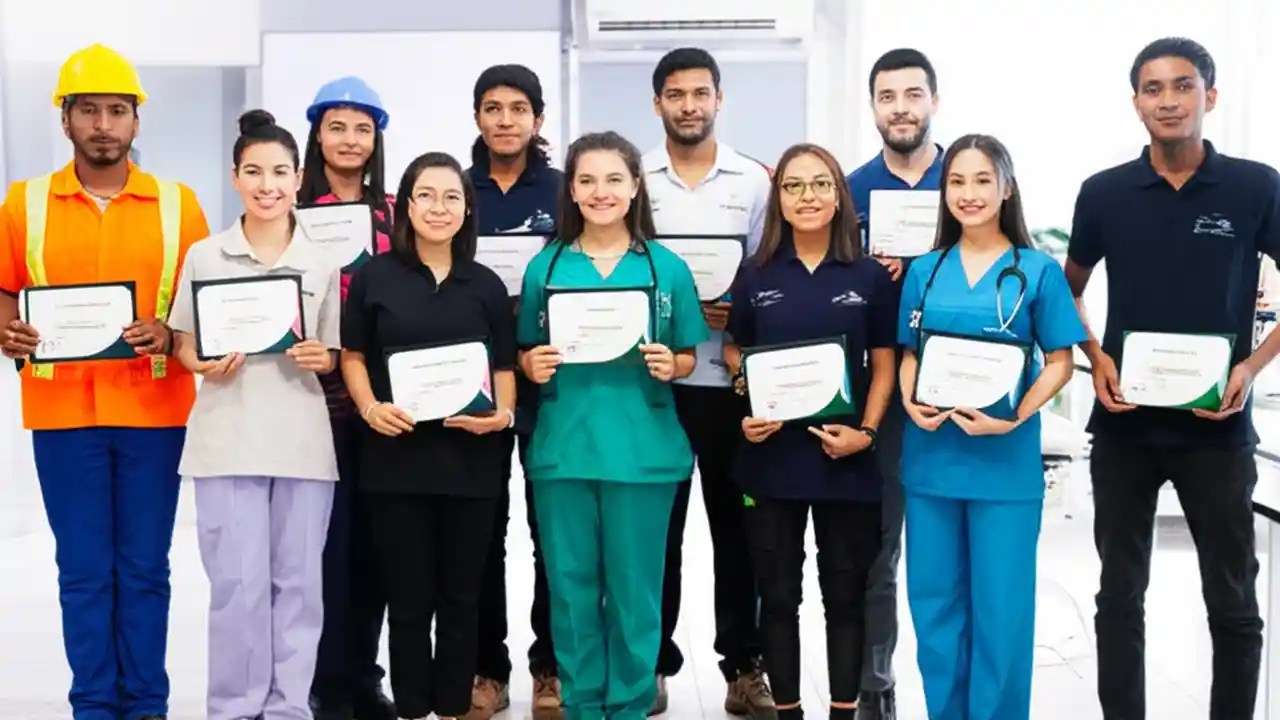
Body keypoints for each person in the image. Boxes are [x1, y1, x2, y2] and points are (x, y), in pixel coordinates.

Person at [1064, 37, 1280, 720]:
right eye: (1152, 88)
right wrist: (1094, 357)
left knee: (1233, 599)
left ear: (1209, 97)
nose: (1168, 100)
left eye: (1182, 86)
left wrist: (1250, 365)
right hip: (1125, 429)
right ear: (1135, 103)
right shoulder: (1103, 193)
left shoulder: (1257, 187)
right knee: (1119, 595)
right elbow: (1065, 291)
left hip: (1218, 430)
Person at [0, 43, 210, 720]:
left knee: (145, 570)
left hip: (154, 410)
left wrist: (171, 333)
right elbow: (4, 293)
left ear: (136, 122)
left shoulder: (180, 206)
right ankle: (93, 705)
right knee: (85, 572)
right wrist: (8, 330)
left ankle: (147, 704)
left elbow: (202, 312)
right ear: (65, 120)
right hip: (61, 415)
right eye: (87, 109)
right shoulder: (22, 204)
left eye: (116, 110)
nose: (102, 124)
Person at [516, 131, 708, 719]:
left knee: (635, 592)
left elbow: (689, 355)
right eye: (587, 180)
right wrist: (532, 362)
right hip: (565, 451)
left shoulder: (665, 268)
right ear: (571, 189)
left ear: (634, 187)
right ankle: (581, 705)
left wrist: (668, 363)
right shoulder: (545, 267)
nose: (600, 192)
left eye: (613, 180)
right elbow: (525, 350)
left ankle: (628, 703)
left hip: (641, 454)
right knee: (570, 590)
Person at [896, 135, 1084, 719]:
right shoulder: (925, 271)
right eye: (957, 181)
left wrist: (1016, 418)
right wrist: (908, 399)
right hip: (931, 463)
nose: (969, 194)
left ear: (1006, 188)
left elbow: (1061, 360)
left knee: (1001, 613)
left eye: (983, 180)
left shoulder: (1037, 271)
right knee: (936, 611)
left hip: (1003, 467)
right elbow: (909, 351)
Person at [168, 109, 341, 720]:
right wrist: (198, 363)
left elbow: (335, 350)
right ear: (234, 177)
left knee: (299, 587)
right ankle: (235, 708)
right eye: (254, 171)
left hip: (301, 442)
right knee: (238, 589)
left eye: (280, 172)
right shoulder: (205, 255)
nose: (268, 184)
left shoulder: (322, 261)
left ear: (298, 179)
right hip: (226, 439)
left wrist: (323, 356)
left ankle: (289, 707)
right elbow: (183, 341)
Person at [341, 151, 518, 720]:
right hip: (396, 461)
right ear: (405, 205)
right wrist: (369, 408)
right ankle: (414, 707)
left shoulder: (486, 285)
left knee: (462, 597)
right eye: (426, 196)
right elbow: (354, 355)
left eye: (451, 198)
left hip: (472, 461)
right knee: (409, 598)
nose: (438, 208)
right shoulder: (375, 277)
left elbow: (506, 368)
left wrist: (504, 415)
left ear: (467, 209)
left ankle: (454, 705)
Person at [724, 143, 896, 720]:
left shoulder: (870, 276)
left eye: (821, 184)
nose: (808, 197)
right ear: (778, 198)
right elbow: (734, 350)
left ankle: (843, 712)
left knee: (845, 597)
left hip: (845, 458)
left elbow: (885, 361)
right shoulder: (756, 275)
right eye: (793, 186)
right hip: (772, 460)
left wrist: (867, 433)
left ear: (840, 195)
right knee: (777, 598)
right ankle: (790, 711)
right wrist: (748, 394)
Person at [641, 47, 775, 719]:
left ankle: (744, 668)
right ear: (657, 103)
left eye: (700, 92)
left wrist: (738, 310)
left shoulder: (755, 181)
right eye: (675, 93)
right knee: (655, 534)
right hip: (657, 387)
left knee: (739, 534)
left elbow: (770, 272)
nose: (689, 104)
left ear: (720, 99)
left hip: (732, 386)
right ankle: (654, 663)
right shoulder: (635, 180)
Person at [843, 47, 943, 720]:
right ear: (873, 105)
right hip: (881, 395)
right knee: (878, 559)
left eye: (913, 94)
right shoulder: (850, 188)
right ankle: (878, 698)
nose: (901, 107)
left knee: (944, 561)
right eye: (887, 96)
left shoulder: (968, 177)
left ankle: (958, 696)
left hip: (959, 395)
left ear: (934, 99)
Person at [464, 63, 565, 720]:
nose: (505, 119)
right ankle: (486, 670)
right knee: (481, 531)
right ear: (477, 116)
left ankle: (551, 668)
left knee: (550, 530)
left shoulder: (562, 190)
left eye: (518, 108)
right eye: (493, 108)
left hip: (548, 380)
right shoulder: (455, 189)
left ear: (538, 119)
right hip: (468, 386)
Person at [298, 75, 398, 720]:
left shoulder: (396, 214)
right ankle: (326, 682)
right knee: (324, 554)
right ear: (317, 136)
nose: (350, 139)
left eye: (363, 127)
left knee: (376, 549)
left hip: (386, 408)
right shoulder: (288, 212)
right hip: (309, 407)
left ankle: (365, 676)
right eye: (337, 126)